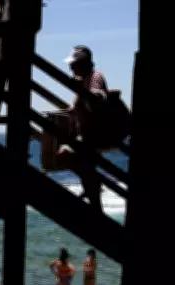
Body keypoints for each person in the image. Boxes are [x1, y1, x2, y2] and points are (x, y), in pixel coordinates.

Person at [53, 46, 112, 213]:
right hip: (87, 135)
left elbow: (98, 94)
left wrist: (84, 91)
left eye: (73, 64)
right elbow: (78, 105)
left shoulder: (94, 77)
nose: (70, 68)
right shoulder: (84, 79)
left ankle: (95, 195)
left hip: (94, 136)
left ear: (83, 64)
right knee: (87, 170)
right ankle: (96, 206)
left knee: (66, 155)